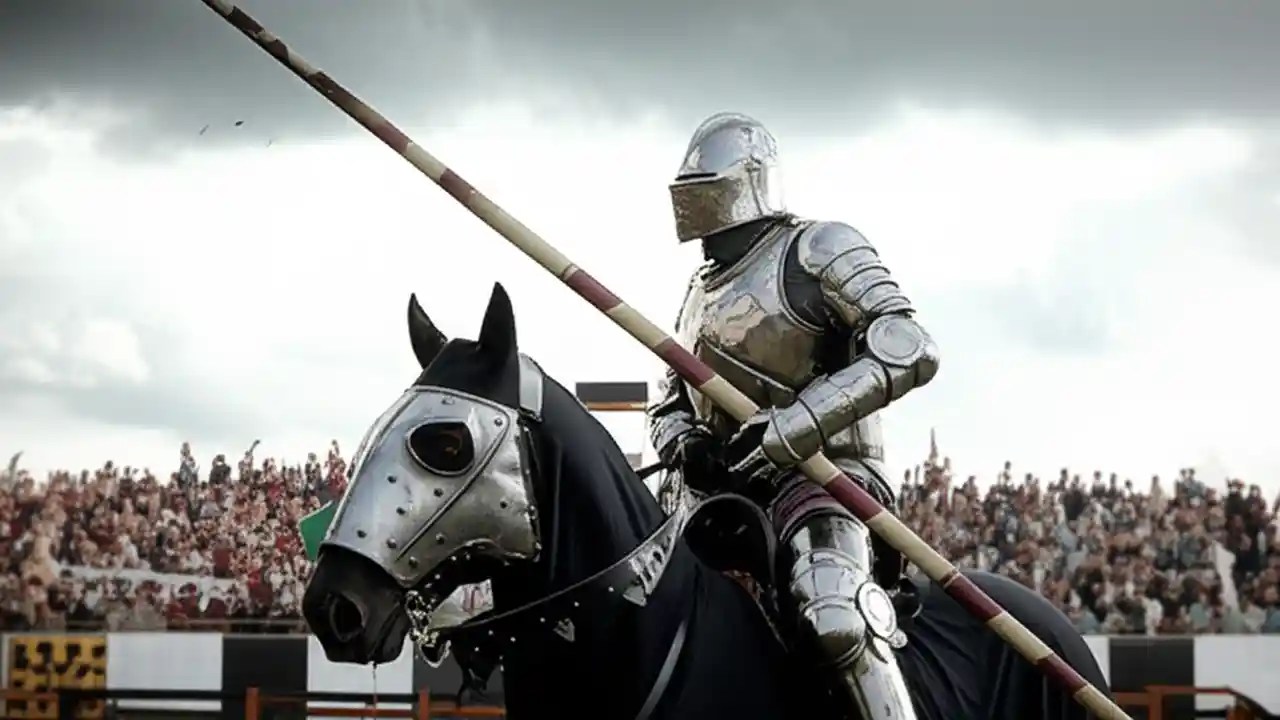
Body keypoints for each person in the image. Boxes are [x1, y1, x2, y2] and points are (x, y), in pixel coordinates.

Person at [648, 112, 938, 719]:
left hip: (825, 478)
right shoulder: (696, 294)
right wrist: (681, 442)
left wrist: (793, 427)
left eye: (705, 192)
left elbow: (907, 347)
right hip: (716, 496)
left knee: (833, 610)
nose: (694, 212)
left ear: (742, 185)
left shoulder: (818, 247)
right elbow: (667, 397)